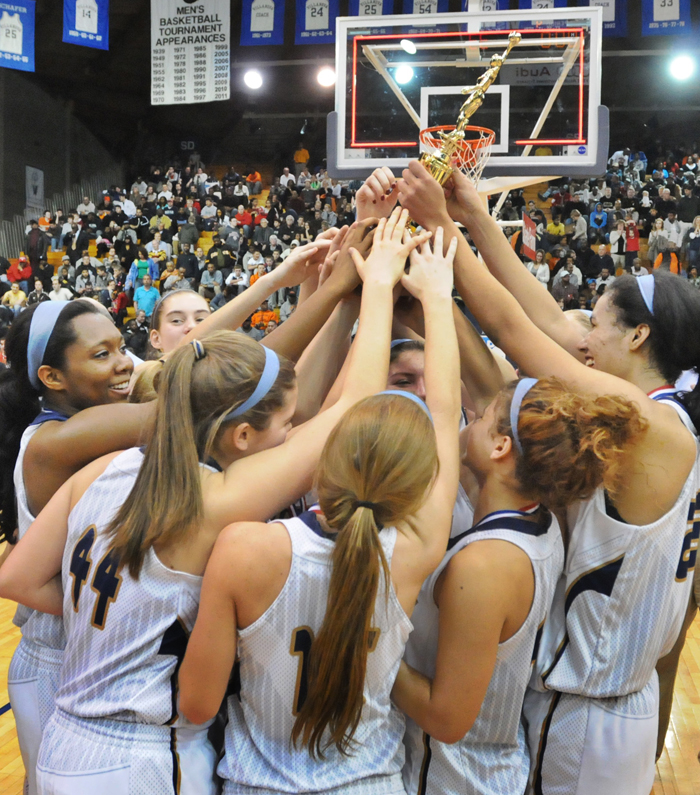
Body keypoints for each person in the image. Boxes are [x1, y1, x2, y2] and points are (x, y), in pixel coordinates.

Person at [0, 210, 432, 795]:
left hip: (65, 737)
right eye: (282, 424)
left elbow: (19, 576)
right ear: (241, 436)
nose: (290, 434)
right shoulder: (210, 500)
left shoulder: (104, 468)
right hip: (144, 756)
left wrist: (128, 609)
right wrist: (377, 285)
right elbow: (349, 405)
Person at [397, 161, 700, 795]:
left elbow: (515, 330)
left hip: (592, 710)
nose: (578, 337)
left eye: (596, 326)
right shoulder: (658, 414)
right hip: (600, 697)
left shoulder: (654, 429)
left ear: (639, 336)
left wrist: (439, 224)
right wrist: (473, 218)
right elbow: (531, 338)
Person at [177, 220, 461, 795]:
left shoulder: (244, 547)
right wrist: (435, 297)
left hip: (260, 783)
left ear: (315, 461)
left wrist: (374, 287)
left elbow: (199, 704)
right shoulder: (415, 550)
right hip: (369, 781)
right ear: (418, 482)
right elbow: (448, 415)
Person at [396, 377, 644, 795]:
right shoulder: (541, 519)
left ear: (500, 447)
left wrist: (369, 648)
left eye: (482, 417)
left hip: (452, 777)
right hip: (492, 763)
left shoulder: (484, 566)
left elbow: (447, 719)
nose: (470, 421)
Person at [0, 301, 155, 795]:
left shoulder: (97, 419)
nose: (123, 361)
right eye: (100, 354)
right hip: (57, 655)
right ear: (52, 376)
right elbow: (208, 388)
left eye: (122, 346)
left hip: (94, 649)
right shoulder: (57, 440)